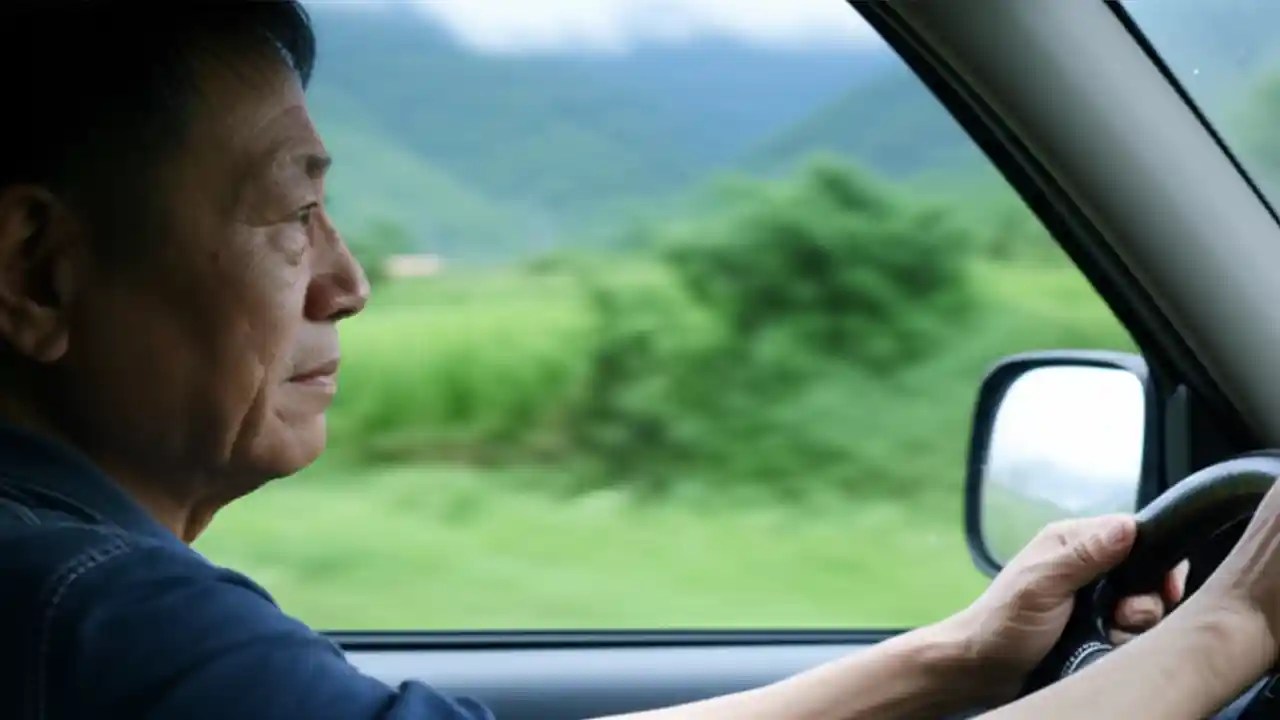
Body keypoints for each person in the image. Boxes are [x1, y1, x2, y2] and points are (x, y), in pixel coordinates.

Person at [0, 2, 1270, 719]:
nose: (348, 281)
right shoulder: (92, 609)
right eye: (288, 216)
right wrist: (1236, 625)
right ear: (37, 273)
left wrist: (951, 657)